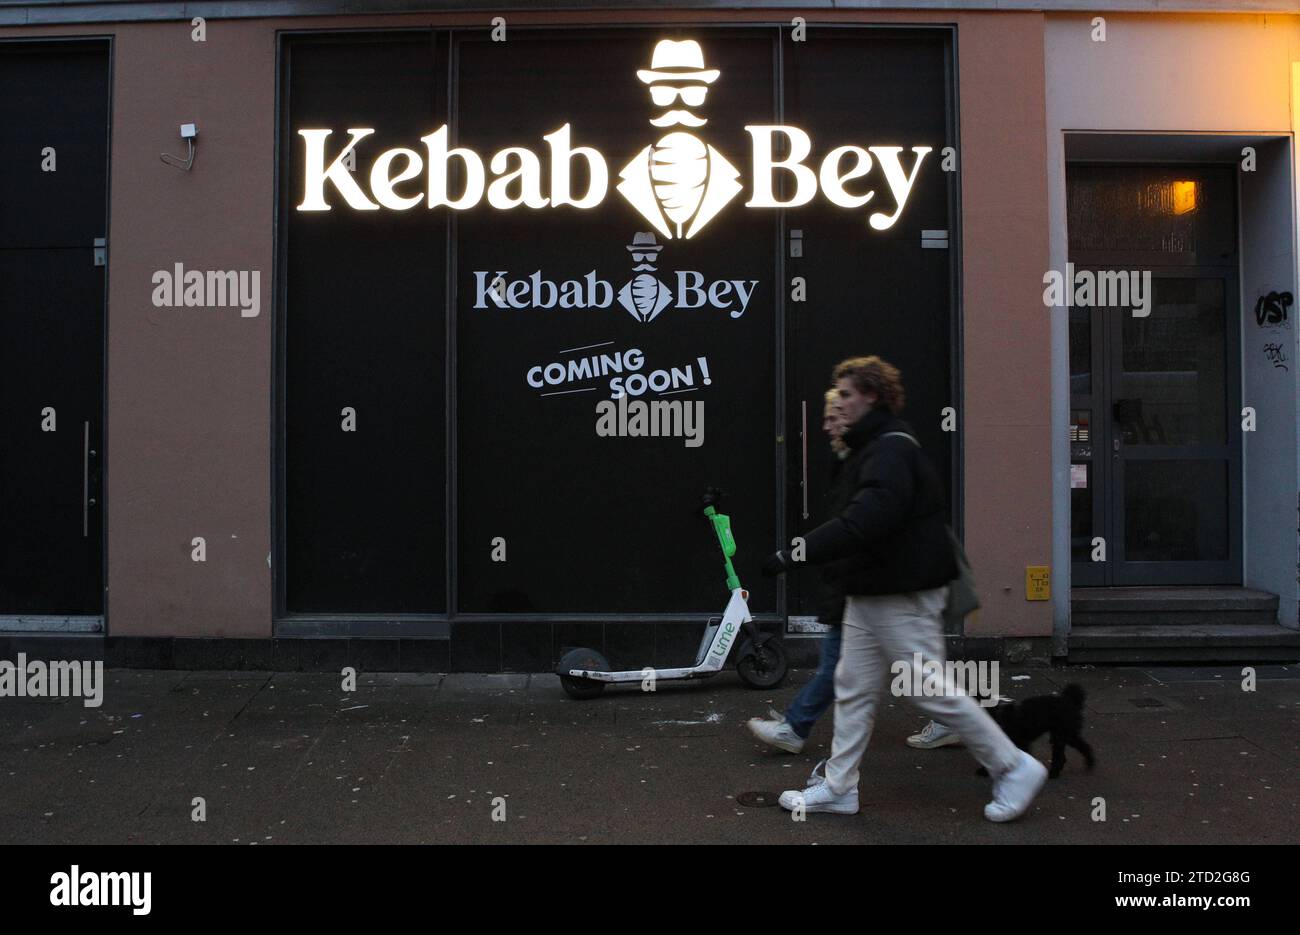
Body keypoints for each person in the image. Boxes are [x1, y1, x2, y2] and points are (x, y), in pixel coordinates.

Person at [761, 356, 1046, 822]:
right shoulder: (871, 449)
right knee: (853, 689)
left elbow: (866, 520)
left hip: (899, 594)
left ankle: (1013, 766)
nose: (840, 402)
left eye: (848, 394)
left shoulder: (890, 450)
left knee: (926, 688)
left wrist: (794, 552)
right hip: (872, 593)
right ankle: (838, 787)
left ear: (872, 395)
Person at [746, 390, 848, 753]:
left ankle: (798, 731)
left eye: (835, 415)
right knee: (844, 670)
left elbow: (849, 527)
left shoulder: (874, 458)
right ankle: (800, 731)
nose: (826, 424)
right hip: (867, 590)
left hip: (875, 591)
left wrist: (793, 555)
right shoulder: (854, 459)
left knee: (845, 669)